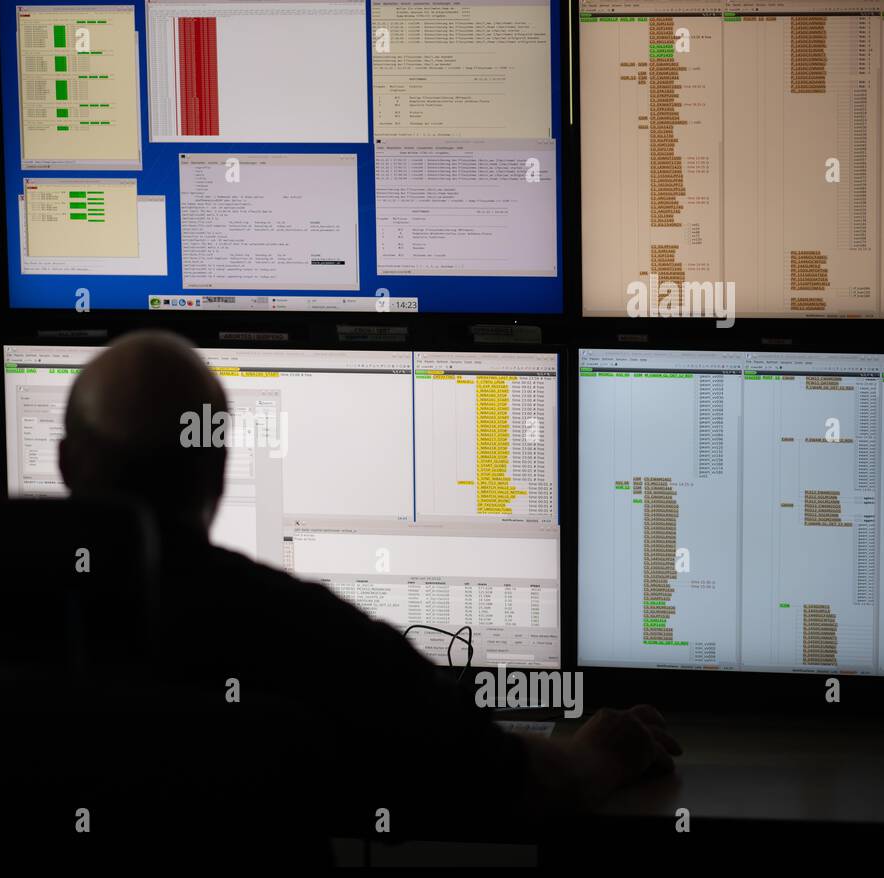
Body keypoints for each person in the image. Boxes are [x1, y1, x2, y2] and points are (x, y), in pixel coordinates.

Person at [58, 329, 683, 818]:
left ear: (65, 464)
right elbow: (511, 782)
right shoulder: (302, 631)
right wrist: (601, 752)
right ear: (219, 468)